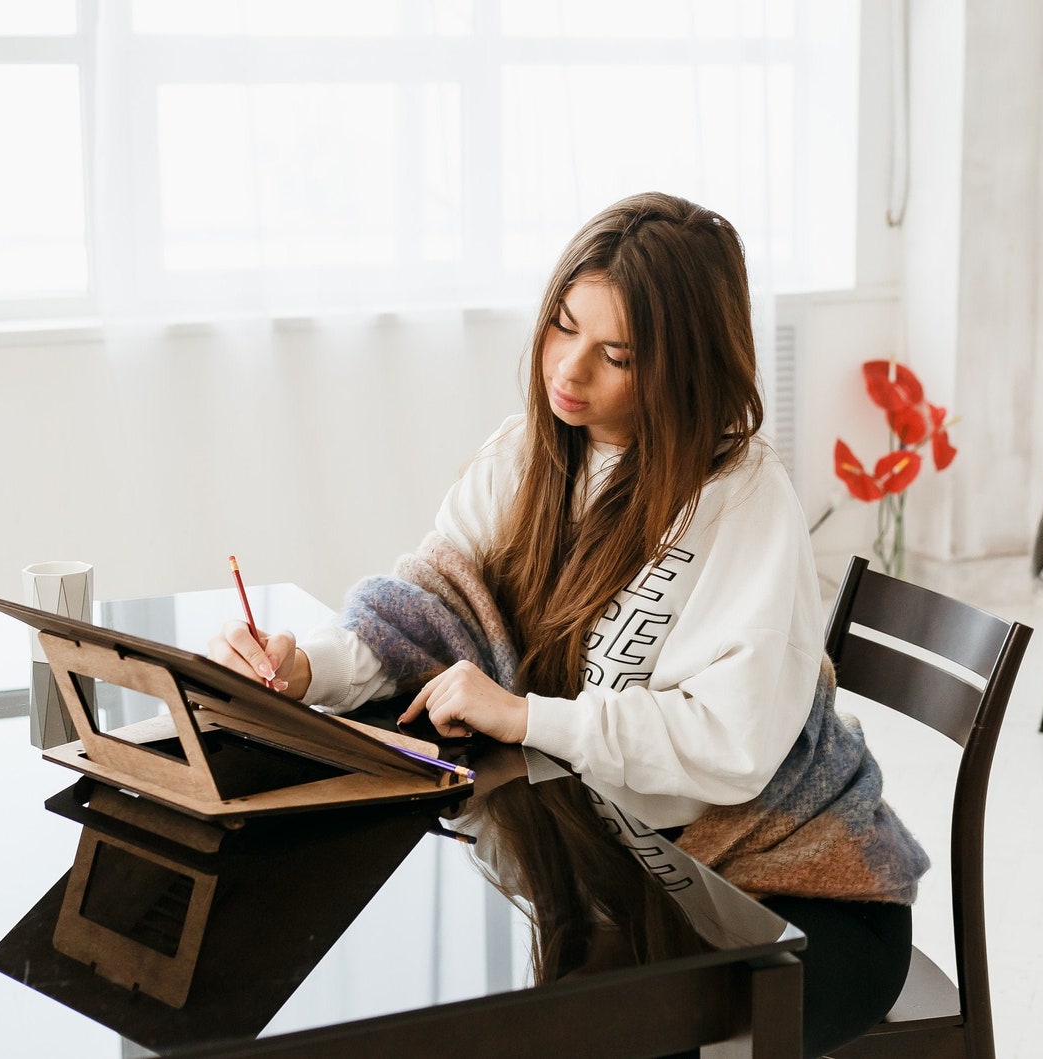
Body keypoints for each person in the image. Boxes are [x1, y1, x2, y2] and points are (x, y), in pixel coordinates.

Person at [209, 191, 927, 1057]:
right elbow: (431, 606)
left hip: (798, 891)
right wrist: (305, 670)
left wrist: (528, 716)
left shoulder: (743, 498)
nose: (569, 371)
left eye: (616, 353)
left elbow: (734, 746)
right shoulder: (529, 454)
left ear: (684, 366)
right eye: (562, 324)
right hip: (616, 865)